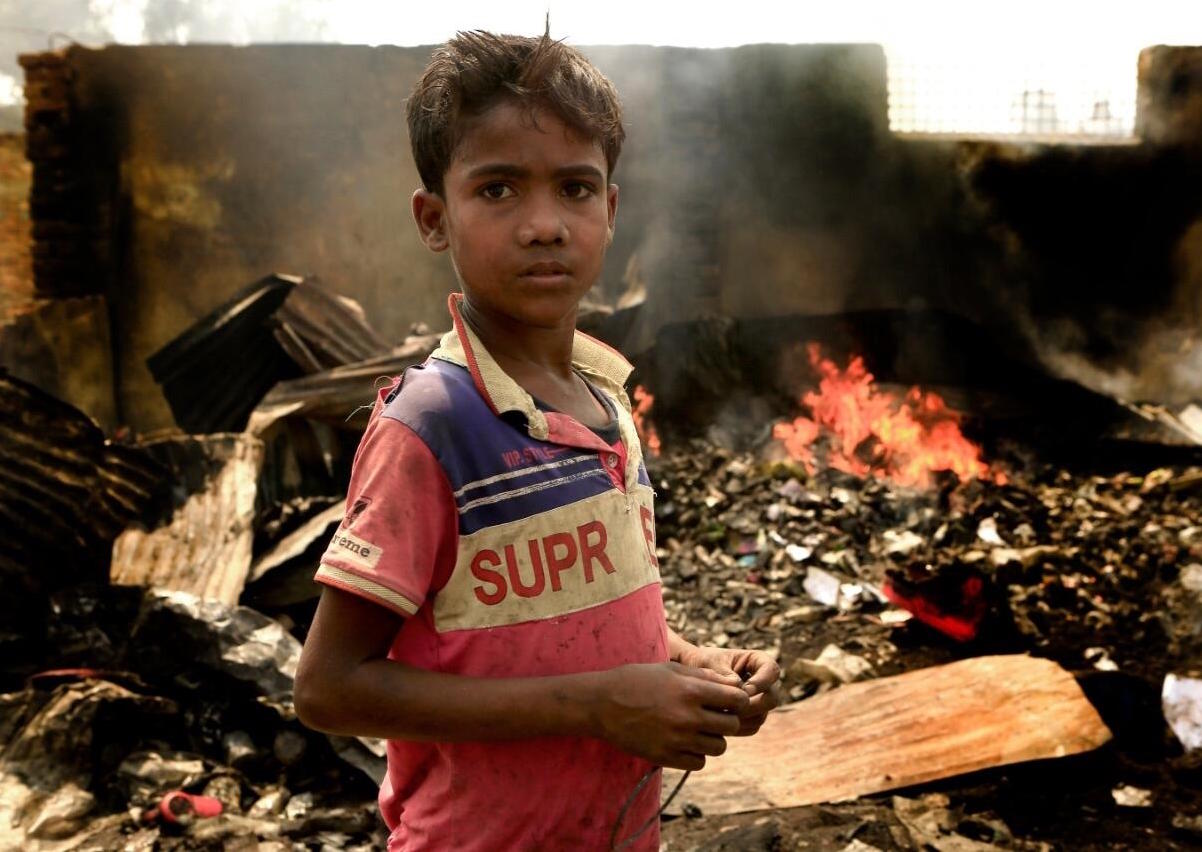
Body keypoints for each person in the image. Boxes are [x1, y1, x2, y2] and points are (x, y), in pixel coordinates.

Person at [293, 29, 780, 851]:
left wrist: (693, 664)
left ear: (611, 211)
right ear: (433, 219)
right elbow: (329, 689)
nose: (545, 224)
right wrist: (598, 704)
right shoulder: (434, 427)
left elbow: (580, 612)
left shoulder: (607, 406)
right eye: (499, 190)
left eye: (576, 189)